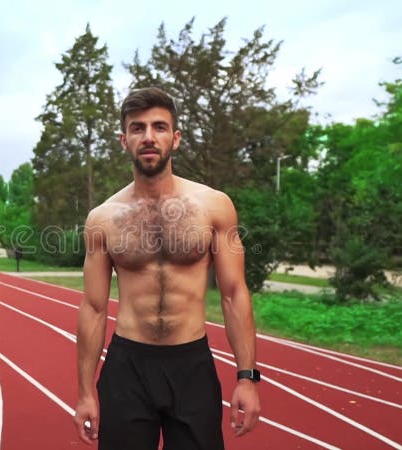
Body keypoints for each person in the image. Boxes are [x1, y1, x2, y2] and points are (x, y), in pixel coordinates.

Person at [74, 87, 261, 449]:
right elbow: (94, 307)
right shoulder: (102, 219)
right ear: (123, 140)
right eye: (137, 127)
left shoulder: (214, 207)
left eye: (159, 127)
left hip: (192, 364)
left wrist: (247, 377)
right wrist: (85, 392)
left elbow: (234, 293)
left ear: (175, 139)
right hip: (127, 366)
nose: (148, 137)